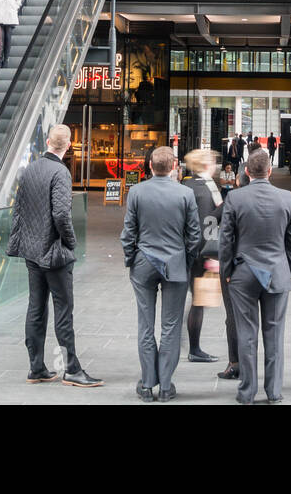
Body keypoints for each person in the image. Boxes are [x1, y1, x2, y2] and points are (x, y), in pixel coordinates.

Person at [7, 123, 102, 387]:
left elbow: (20, 210)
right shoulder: (60, 172)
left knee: (36, 308)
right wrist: (71, 242)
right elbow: (61, 214)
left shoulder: (30, 169)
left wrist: (22, 242)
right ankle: (70, 369)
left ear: (48, 142)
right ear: (68, 145)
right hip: (54, 253)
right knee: (63, 310)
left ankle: (36, 367)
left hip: (32, 252)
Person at [217, 149, 291, 405]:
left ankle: (247, 392)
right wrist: (290, 268)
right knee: (274, 334)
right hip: (276, 271)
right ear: (269, 171)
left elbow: (226, 240)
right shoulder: (286, 198)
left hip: (244, 272)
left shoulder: (235, 199)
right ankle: (274, 392)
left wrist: (227, 271)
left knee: (247, 333)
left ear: (246, 172)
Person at [120, 146, 200, 402]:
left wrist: (131, 258)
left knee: (145, 326)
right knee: (171, 326)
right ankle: (165, 385)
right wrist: (185, 261)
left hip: (144, 264)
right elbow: (194, 235)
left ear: (150, 166)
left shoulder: (137, 192)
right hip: (174, 264)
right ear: (174, 166)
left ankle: (147, 384)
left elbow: (129, 232)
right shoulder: (185, 193)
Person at [181, 148, 224, 366]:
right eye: (213, 162)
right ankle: (194, 348)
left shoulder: (186, 185)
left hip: (185, 251)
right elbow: (210, 223)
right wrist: (212, 257)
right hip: (203, 252)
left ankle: (189, 342)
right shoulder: (209, 189)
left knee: (197, 298)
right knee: (200, 300)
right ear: (206, 165)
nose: (216, 165)